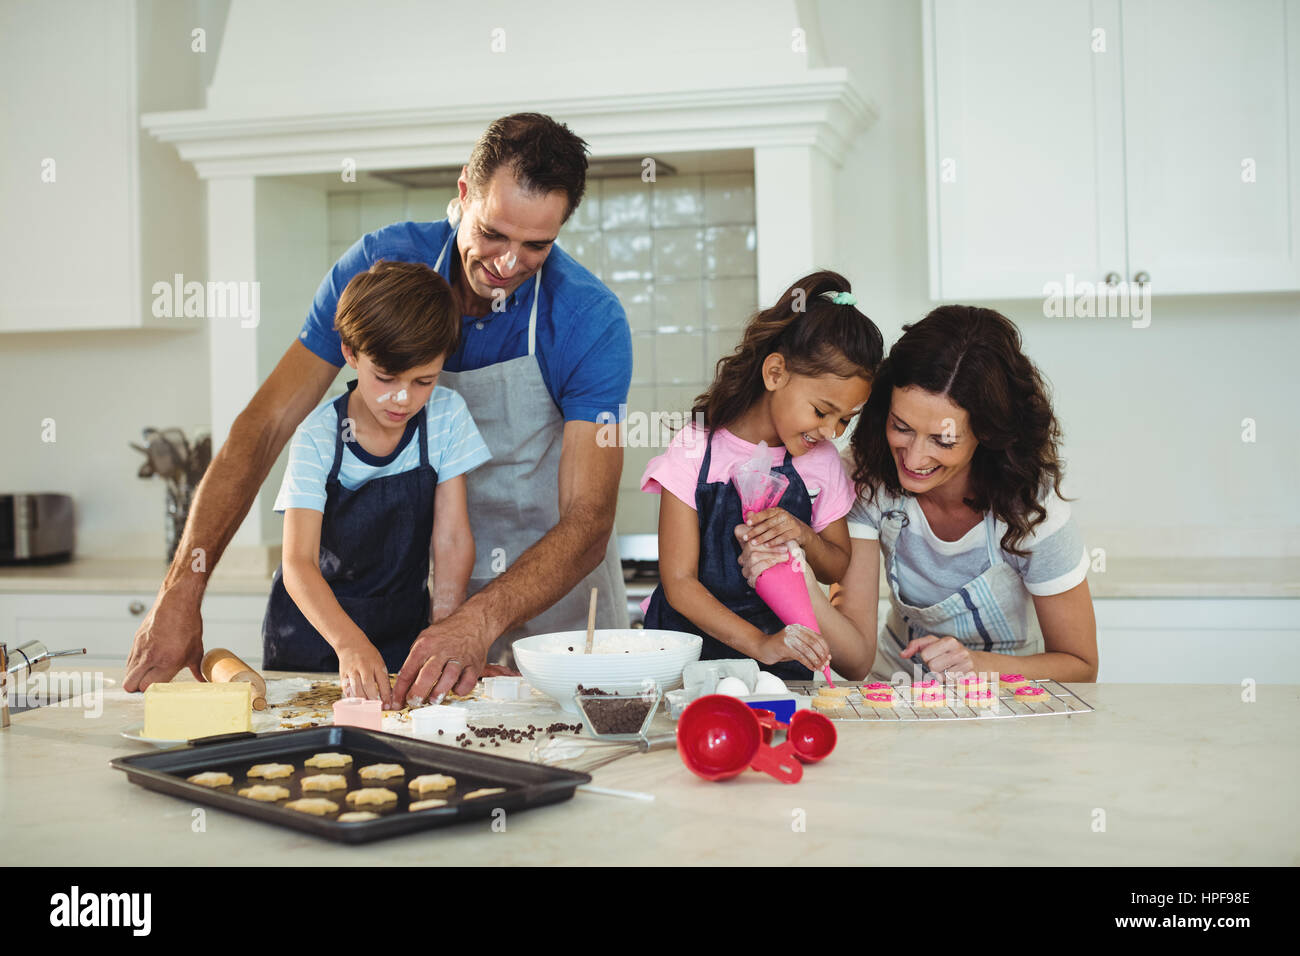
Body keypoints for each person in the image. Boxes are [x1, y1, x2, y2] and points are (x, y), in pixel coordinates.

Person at [125, 113, 632, 705]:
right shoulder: (379, 270)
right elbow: (264, 428)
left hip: (556, 610)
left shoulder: (588, 318)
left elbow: (589, 519)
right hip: (430, 601)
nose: (508, 263)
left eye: (536, 245)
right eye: (493, 232)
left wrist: (474, 622)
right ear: (464, 190)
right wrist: (181, 592)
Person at [739, 305, 1098, 684]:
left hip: (1007, 699)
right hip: (897, 690)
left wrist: (979, 667)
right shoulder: (867, 477)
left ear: (988, 432)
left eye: (942, 440)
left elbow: (1081, 666)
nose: (913, 458)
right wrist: (802, 581)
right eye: (902, 427)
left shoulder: (1031, 507)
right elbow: (856, 659)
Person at [263, 261, 489, 707]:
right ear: (351, 354)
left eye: (423, 380)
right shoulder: (317, 436)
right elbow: (299, 562)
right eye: (385, 378)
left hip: (400, 633)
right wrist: (348, 643)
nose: (403, 398)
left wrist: (442, 629)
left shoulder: (446, 417)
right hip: (313, 640)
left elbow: (451, 538)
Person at [641, 271, 884, 681]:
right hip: (684, 662)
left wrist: (804, 536)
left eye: (845, 420)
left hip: (784, 668)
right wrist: (758, 644)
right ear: (775, 374)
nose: (830, 431)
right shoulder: (696, 448)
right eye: (822, 410)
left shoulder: (820, 461)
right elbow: (679, 582)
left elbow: (835, 567)